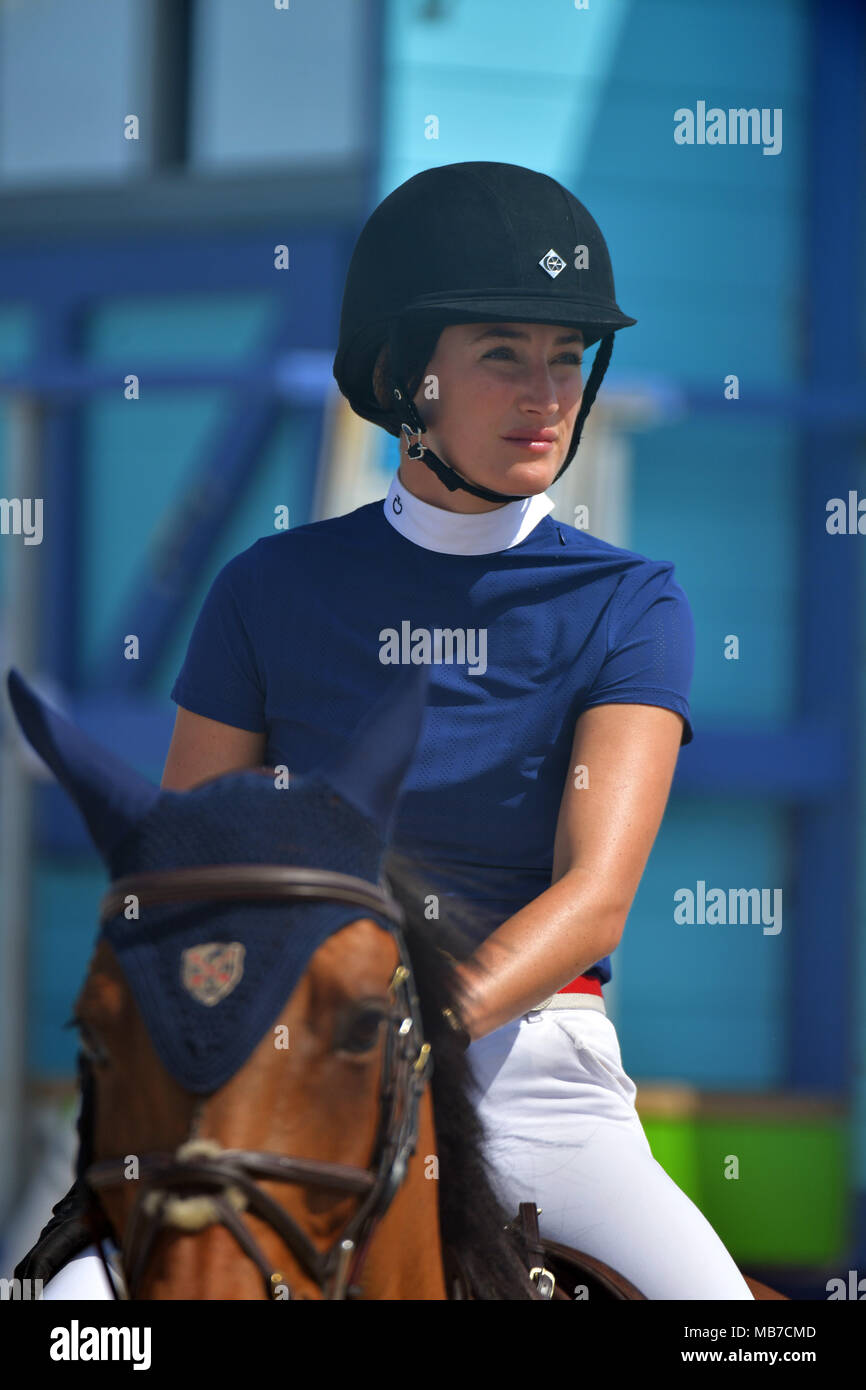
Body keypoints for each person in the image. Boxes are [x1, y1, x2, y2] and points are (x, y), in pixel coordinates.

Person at [27, 161, 753, 1299]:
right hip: (283, 1059)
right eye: (503, 353)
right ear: (407, 378)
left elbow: (594, 895)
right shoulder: (264, 589)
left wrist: (414, 1031)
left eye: (567, 356)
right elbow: (190, 871)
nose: (546, 392)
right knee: (75, 1308)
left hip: (530, 1065)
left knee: (722, 1323)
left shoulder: (632, 603)